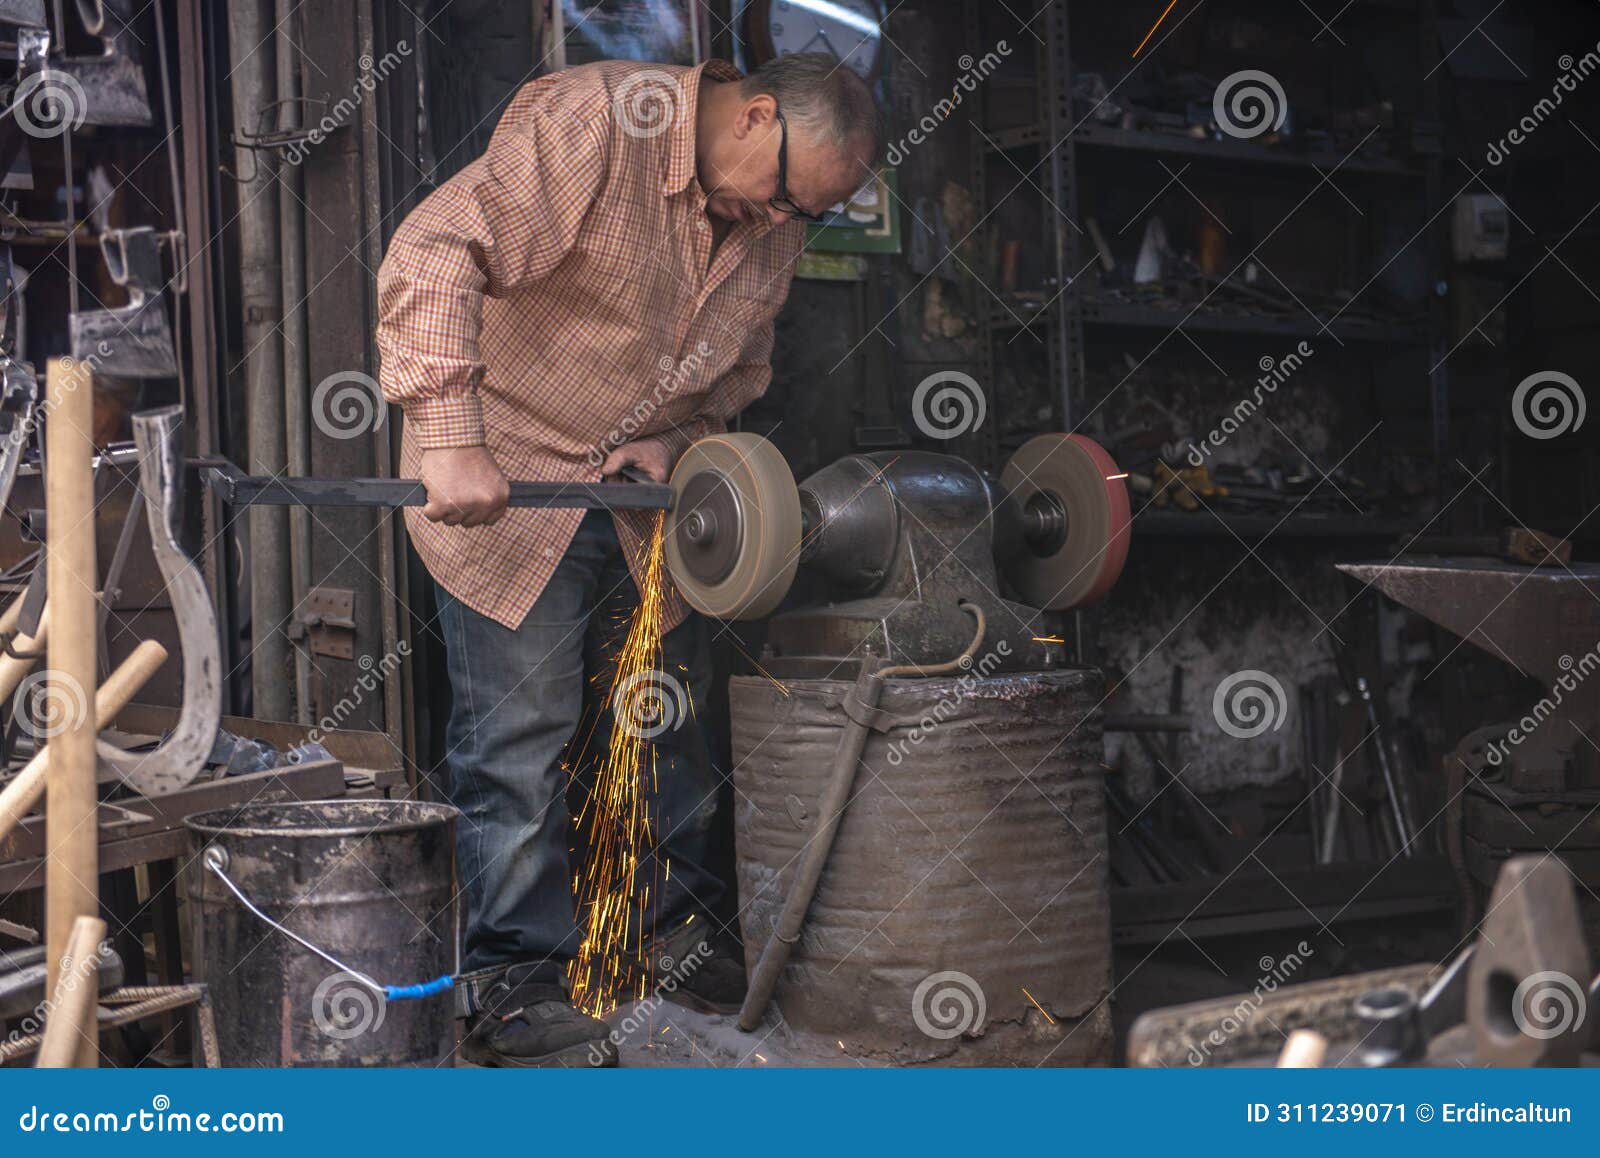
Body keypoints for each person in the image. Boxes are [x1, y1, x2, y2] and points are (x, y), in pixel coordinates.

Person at [376, 52, 881, 1067]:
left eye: (807, 215)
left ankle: (668, 962)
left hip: (632, 508)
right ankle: (517, 993)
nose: (784, 224)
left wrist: (677, 433)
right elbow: (433, 251)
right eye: (786, 195)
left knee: (663, 734)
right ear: (755, 116)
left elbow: (735, 370)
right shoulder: (602, 121)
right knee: (519, 747)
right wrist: (450, 433)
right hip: (508, 487)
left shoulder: (765, 221)